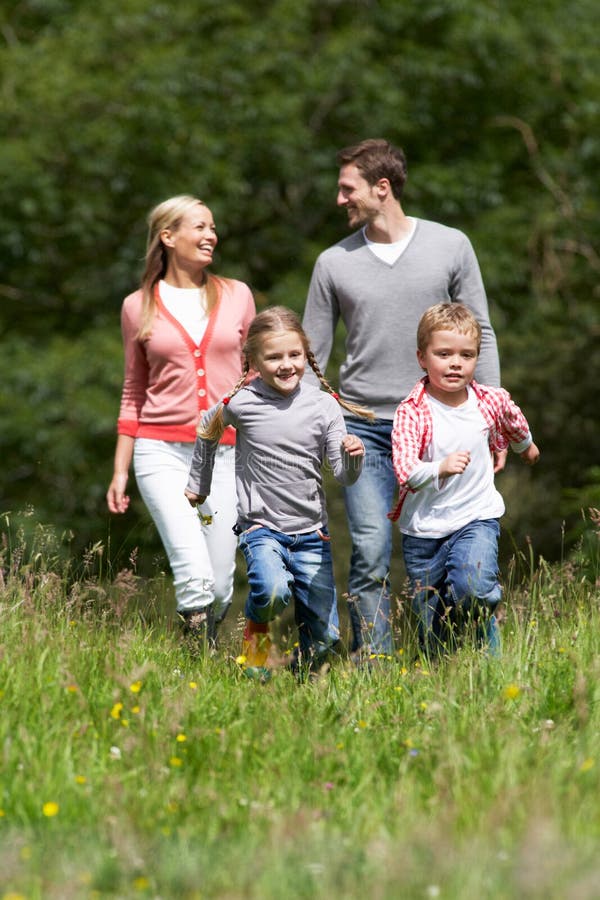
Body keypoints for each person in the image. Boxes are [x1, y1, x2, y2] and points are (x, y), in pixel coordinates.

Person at [302, 138, 503, 659]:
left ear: (382, 187)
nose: (339, 198)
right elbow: (311, 357)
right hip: (363, 428)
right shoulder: (332, 263)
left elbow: (481, 331)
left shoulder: (451, 245)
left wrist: (494, 418)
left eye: (348, 188)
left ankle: (458, 656)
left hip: (442, 424)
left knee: (450, 545)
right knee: (369, 550)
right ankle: (374, 666)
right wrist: (311, 431)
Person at [184, 306, 372, 677]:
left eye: (294, 355)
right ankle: (256, 635)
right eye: (273, 357)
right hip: (261, 529)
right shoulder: (241, 403)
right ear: (253, 359)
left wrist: (353, 459)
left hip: (312, 534)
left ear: (307, 354)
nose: (286, 365)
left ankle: (302, 679)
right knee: (271, 592)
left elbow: (344, 477)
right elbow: (207, 428)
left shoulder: (323, 406)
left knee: (326, 639)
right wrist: (198, 485)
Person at [106, 194, 256, 644]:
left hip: (226, 454)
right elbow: (134, 389)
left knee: (222, 577)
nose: (211, 235)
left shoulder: (237, 295)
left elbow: (254, 377)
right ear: (168, 237)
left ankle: (203, 653)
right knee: (192, 568)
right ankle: (197, 662)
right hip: (161, 453)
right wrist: (119, 469)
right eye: (200, 227)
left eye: (213, 228)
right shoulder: (138, 306)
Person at [390, 303, 540, 655]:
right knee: (431, 629)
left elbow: (512, 418)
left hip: (476, 517)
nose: (456, 362)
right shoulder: (412, 412)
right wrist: (439, 467)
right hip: (423, 530)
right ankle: (446, 673)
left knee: (472, 589)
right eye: (444, 354)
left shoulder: (488, 400)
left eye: (466, 355)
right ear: (422, 357)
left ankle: (489, 651)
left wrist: (526, 446)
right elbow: (405, 471)